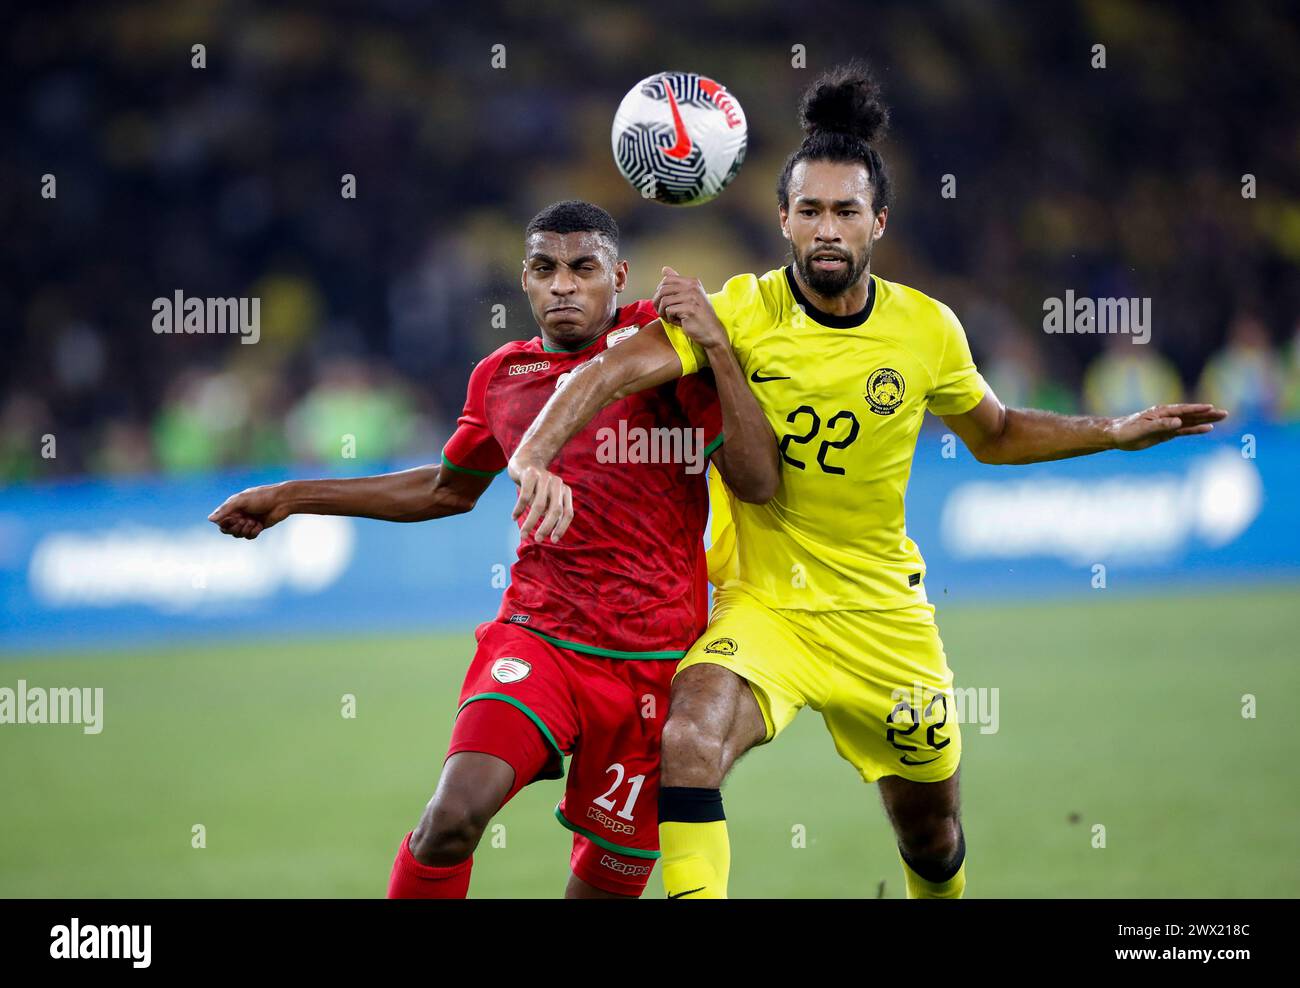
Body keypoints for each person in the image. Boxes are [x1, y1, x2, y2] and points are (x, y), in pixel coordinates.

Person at [506, 65, 1228, 899]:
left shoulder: (926, 328)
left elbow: (991, 433)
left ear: (878, 221)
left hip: (883, 616)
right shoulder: (735, 313)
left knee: (930, 834)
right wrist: (533, 454)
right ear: (782, 219)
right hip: (765, 606)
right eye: (808, 210)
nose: (826, 228)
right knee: (689, 740)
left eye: (845, 211)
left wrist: (1109, 431)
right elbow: (600, 374)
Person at [208, 200, 777, 898]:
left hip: (655, 666)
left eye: (583, 268)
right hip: (541, 640)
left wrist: (716, 348)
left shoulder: (663, 353)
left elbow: (754, 481)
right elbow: (448, 489)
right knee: (450, 816)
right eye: (545, 269)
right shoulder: (500, 378)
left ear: (618, 276)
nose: (563, 284)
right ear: (526, 281)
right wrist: (295, 496)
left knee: (601, 886)